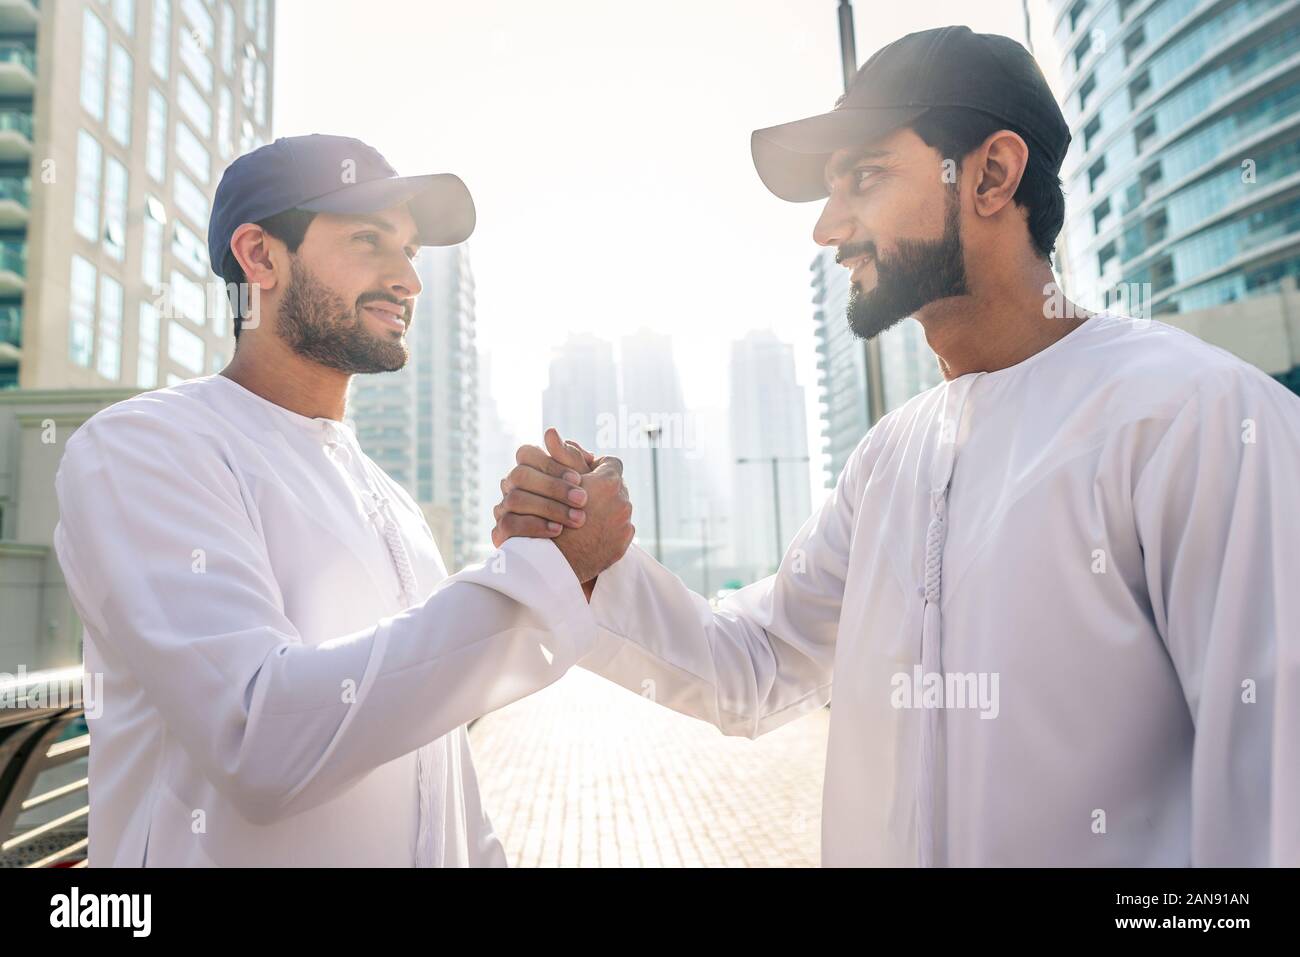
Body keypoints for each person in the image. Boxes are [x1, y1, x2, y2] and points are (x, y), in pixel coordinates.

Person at [492, 27, 1300, 866]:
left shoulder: (1197, 418)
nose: (827, 227)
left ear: (990, 174)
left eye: (864, 178)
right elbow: (761, 663)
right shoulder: (888, 459)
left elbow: (1275, 811)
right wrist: (597, 564)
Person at [52, 135, 632, 866]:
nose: (408, 280)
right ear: (260, 256)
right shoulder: (145, 448)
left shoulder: (389, 499)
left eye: (412, 252)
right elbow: (258, 736)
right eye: (369, 239)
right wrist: (539, 575)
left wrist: (539, 569)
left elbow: (440, 775)